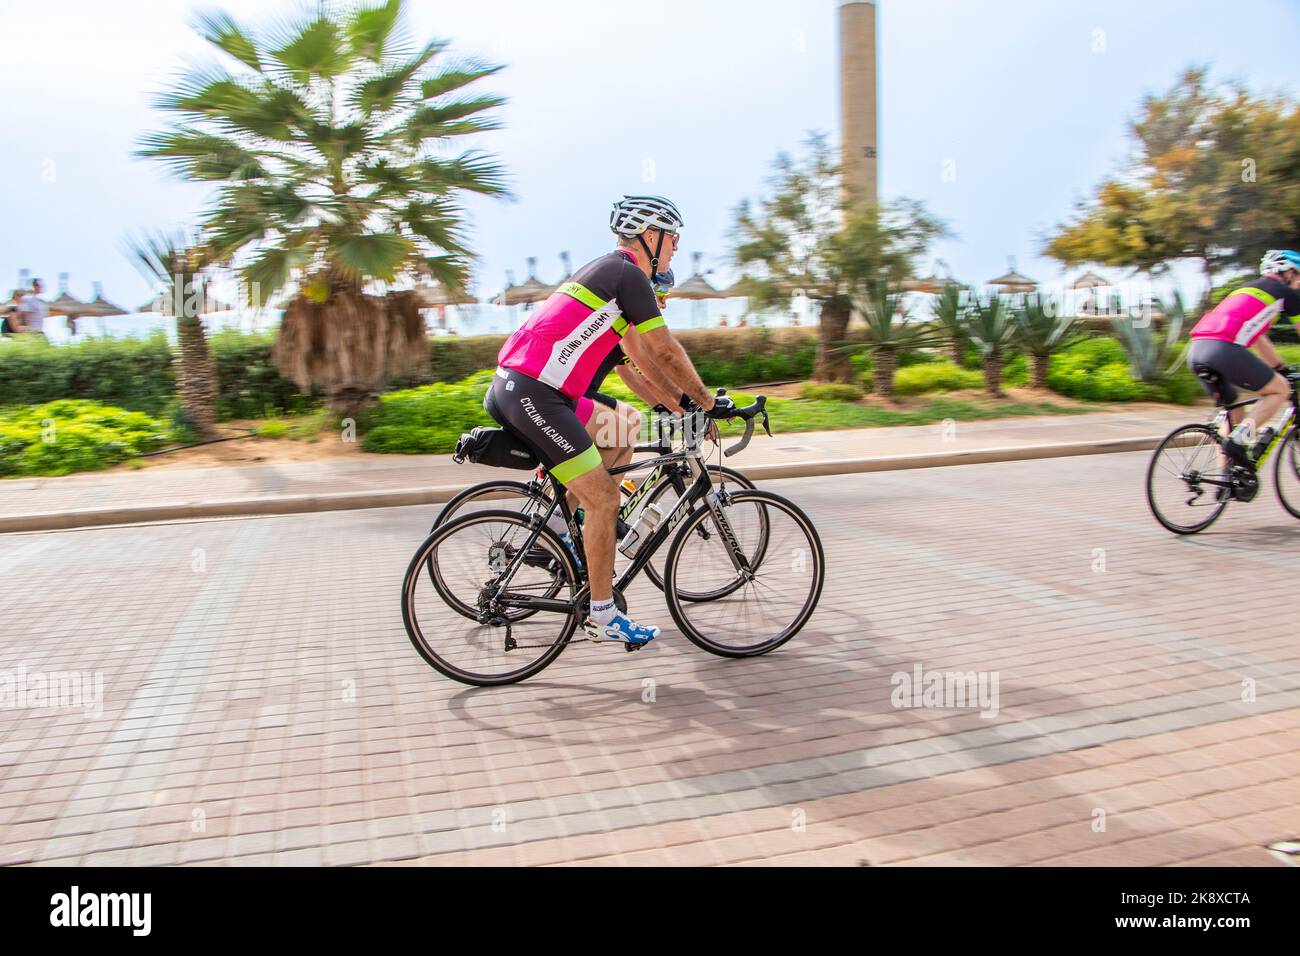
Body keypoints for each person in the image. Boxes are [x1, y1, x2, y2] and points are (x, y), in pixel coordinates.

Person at [485, 195, 737, 647]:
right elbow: (664, 350)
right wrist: (706, 402)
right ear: (650, 234)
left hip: (531, 389)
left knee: (620, 428)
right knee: (603, 498)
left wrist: (684, 405)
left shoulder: (613, 275)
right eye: (673, 236)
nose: (677, 246)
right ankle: (602, 615)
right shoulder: (627, 273)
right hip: (535, 395)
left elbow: (642, 356)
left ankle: (566, 535)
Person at [1187, 250, 1300, 471]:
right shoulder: (1286, 293)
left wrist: (1280, 367)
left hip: (1197, 350)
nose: (1299, 283)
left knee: (1235, 411)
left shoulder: (1244, 289)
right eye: (1299, 276)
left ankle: (1225, 477)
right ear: (1288, 272)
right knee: (1280, 390)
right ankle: (1239, 440)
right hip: (1224, 349)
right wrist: (1282, 376)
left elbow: (1258, 339)